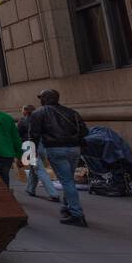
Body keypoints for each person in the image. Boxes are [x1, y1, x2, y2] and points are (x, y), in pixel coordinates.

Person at [28, 89, 89, 226]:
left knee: (67, 181)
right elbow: (84, 131)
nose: (40, 100)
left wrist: (32, 153)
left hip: (55, 148)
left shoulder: (38, 113)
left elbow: (33, 135)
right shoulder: (72, 112)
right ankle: (67, 208)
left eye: (41, 97)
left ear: (45, 99)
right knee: (69, 179)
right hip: (74, 149)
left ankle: (76, 213)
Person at [17, 103, 59, 201]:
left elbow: (18, 136)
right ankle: (30, 189)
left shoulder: (22, 121)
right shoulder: (41, 120)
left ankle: (53, 194)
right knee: (34, 168)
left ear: (26, 111)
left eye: (23, 110)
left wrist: (19, 153)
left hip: (29, 146)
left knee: (39, 170)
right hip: (41, 146)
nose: (22, 112)